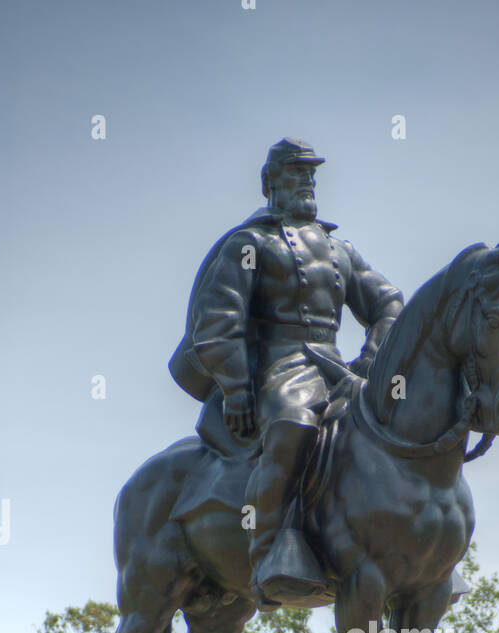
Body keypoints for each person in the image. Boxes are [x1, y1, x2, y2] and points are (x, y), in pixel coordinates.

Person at [169, 138, 403, 603]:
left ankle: (419, 553)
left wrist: (372, 357)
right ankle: (269, 552)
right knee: (294, 425)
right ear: (269, 183)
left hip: (337, 366)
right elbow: (219, 323)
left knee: (400, 421)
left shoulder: (341, 250)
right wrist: (236, 388)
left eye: (310, 175)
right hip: (277, 367)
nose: (306, 183)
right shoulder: (249, 244)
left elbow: (388, 303)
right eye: (296, 175)